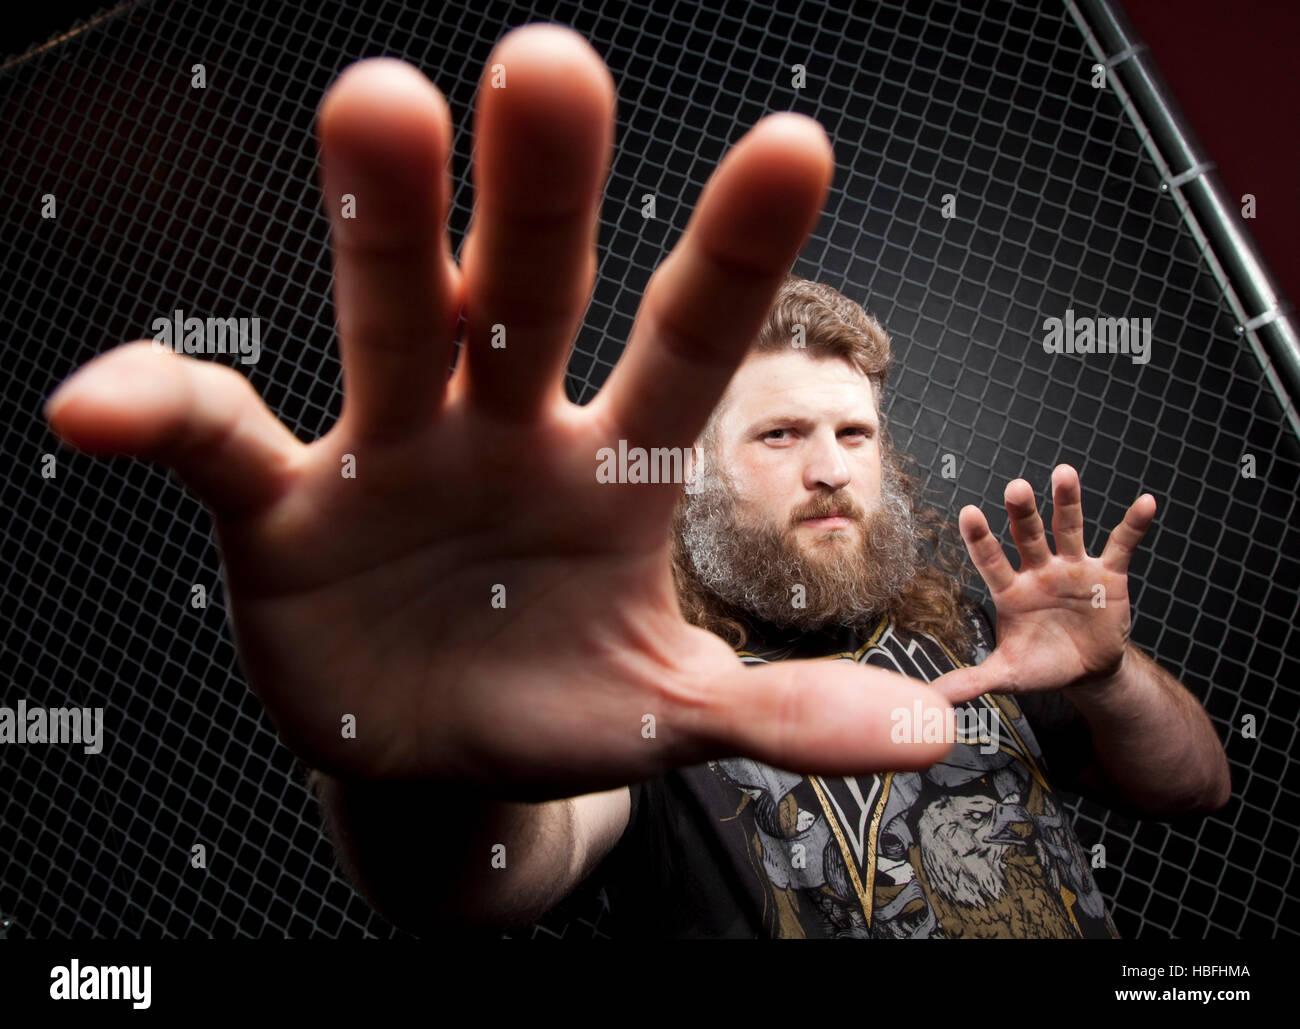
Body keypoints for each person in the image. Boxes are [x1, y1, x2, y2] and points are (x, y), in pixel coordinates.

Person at [41, 24, 1229, 939]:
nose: (831, 471)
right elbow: (485, 881)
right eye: (777, 438)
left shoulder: (978, 639)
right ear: (687, 481)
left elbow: (1194, 792)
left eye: (854, 436)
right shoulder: (636, 689)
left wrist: (1112, 675)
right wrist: (422, 766)